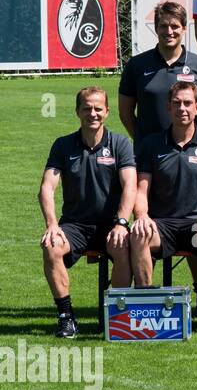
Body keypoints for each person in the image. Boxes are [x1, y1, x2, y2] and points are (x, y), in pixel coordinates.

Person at [129, 82, 197, 334]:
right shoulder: (151, 144)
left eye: (187, 103)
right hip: (163, 226)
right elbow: (141, 190)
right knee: (139, 232)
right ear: (168, 107)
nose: (181, 108)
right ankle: (145, 309)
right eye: (176, 103)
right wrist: (141, 216)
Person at [39, 86, 136, 338]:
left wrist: (122, 223)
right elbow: (47, 188)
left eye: (97, 109)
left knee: (123, 245)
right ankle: (66, 316)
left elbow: (130, 186)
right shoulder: (63, 145)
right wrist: (51, 224)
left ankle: (117, 315)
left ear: (107, 112)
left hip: (112, 224)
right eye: (86, 108)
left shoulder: (121, 143)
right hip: (75, 225)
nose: (92, 114)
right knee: (51, 246)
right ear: (77, 112)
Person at [118, 1, 197, 140]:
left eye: (174, 26)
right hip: (150, 154)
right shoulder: (136, 65)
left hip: (190, 152)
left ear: (184, 28)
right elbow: (125, 112)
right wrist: (142, 141)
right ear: (156, 28)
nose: (169, 32)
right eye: (163, 26)